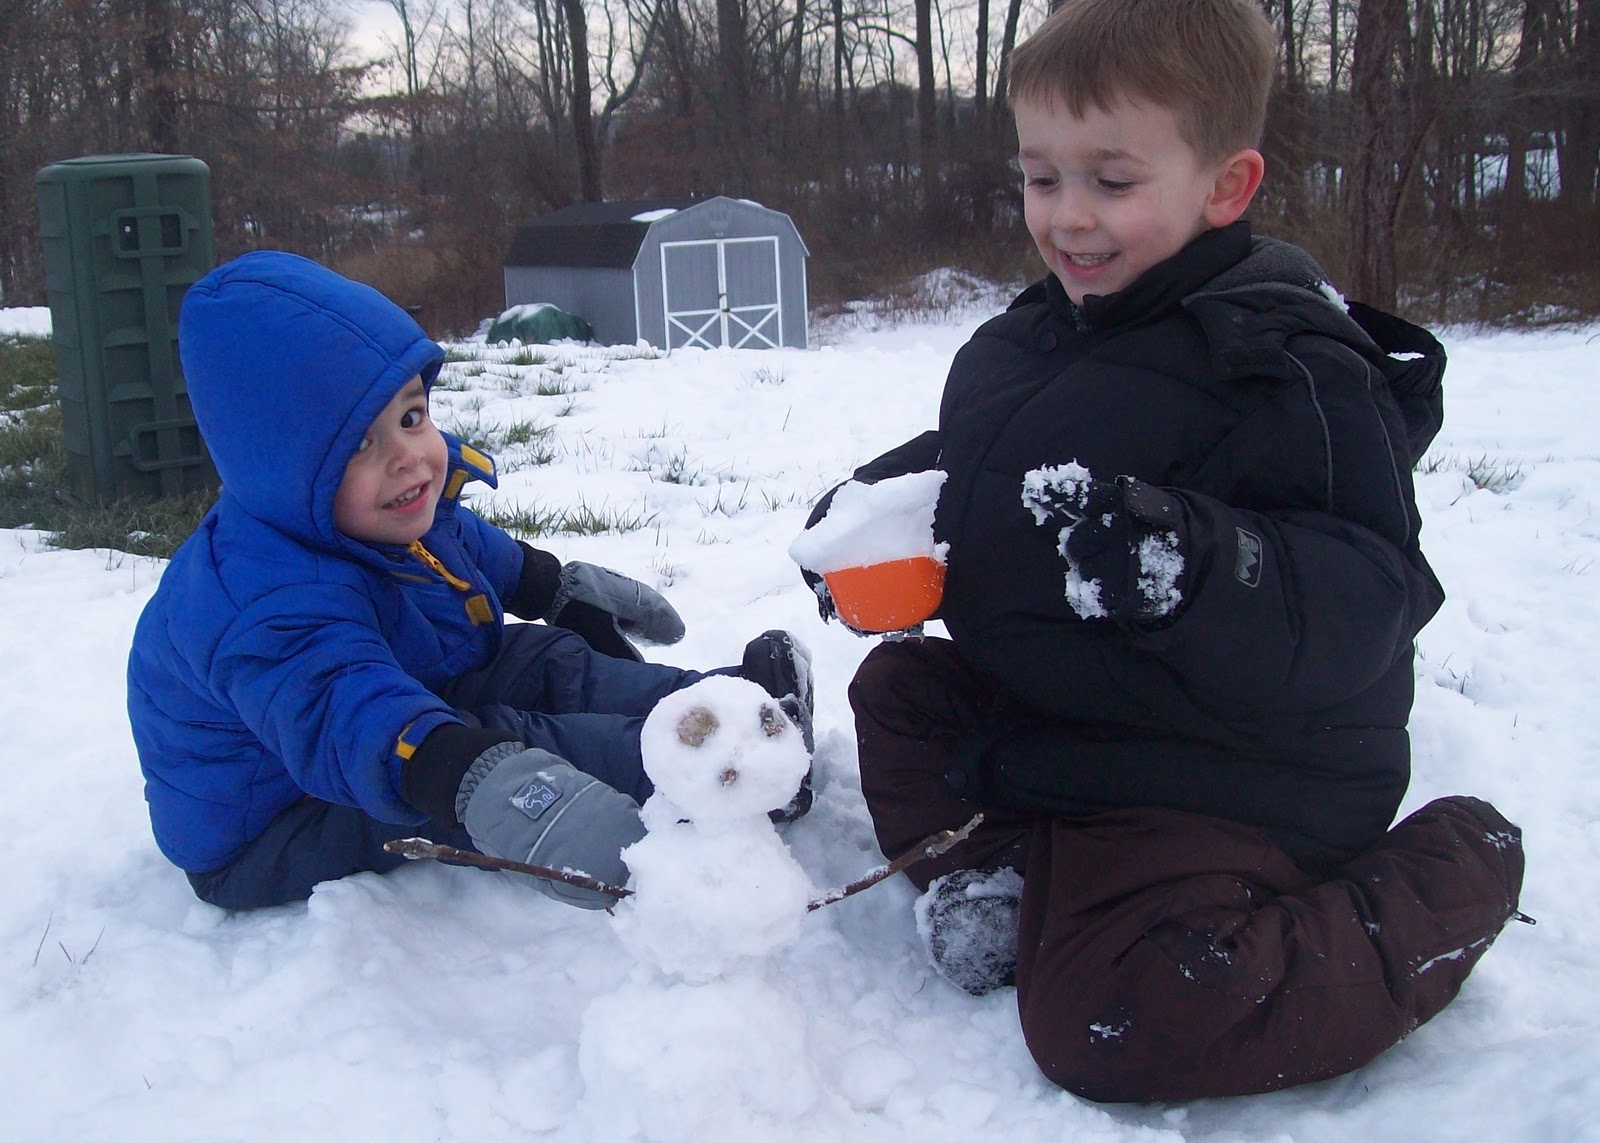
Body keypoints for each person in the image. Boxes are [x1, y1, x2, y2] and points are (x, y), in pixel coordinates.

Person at [806, 0, 1525, 1103]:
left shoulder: (1287, 369)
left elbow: (1364, 596)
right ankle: (1004, 877)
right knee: (900, 691)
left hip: (1227, 769)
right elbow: (976, 462)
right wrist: (867, 517)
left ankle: (1451, 871)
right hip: (1072, 719)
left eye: (1111, 179)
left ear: (1222, 187)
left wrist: (1190, 565)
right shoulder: (1029, 339)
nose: (1068, 217)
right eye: (1042, 179)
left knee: (1115, 1022)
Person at [127, 250, 812, 913]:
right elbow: (344, 713)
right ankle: (708, 782)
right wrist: (469, 774)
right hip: (286, 815)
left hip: (404, 690)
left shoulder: (378, 504)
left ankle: (738, 710)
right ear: (280, 469)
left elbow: (460, 543)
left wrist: (552, 587)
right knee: (500, 736)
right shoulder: (261, 600)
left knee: (545, 658)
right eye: (358, 444)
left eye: (410, 416)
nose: (408, 459)